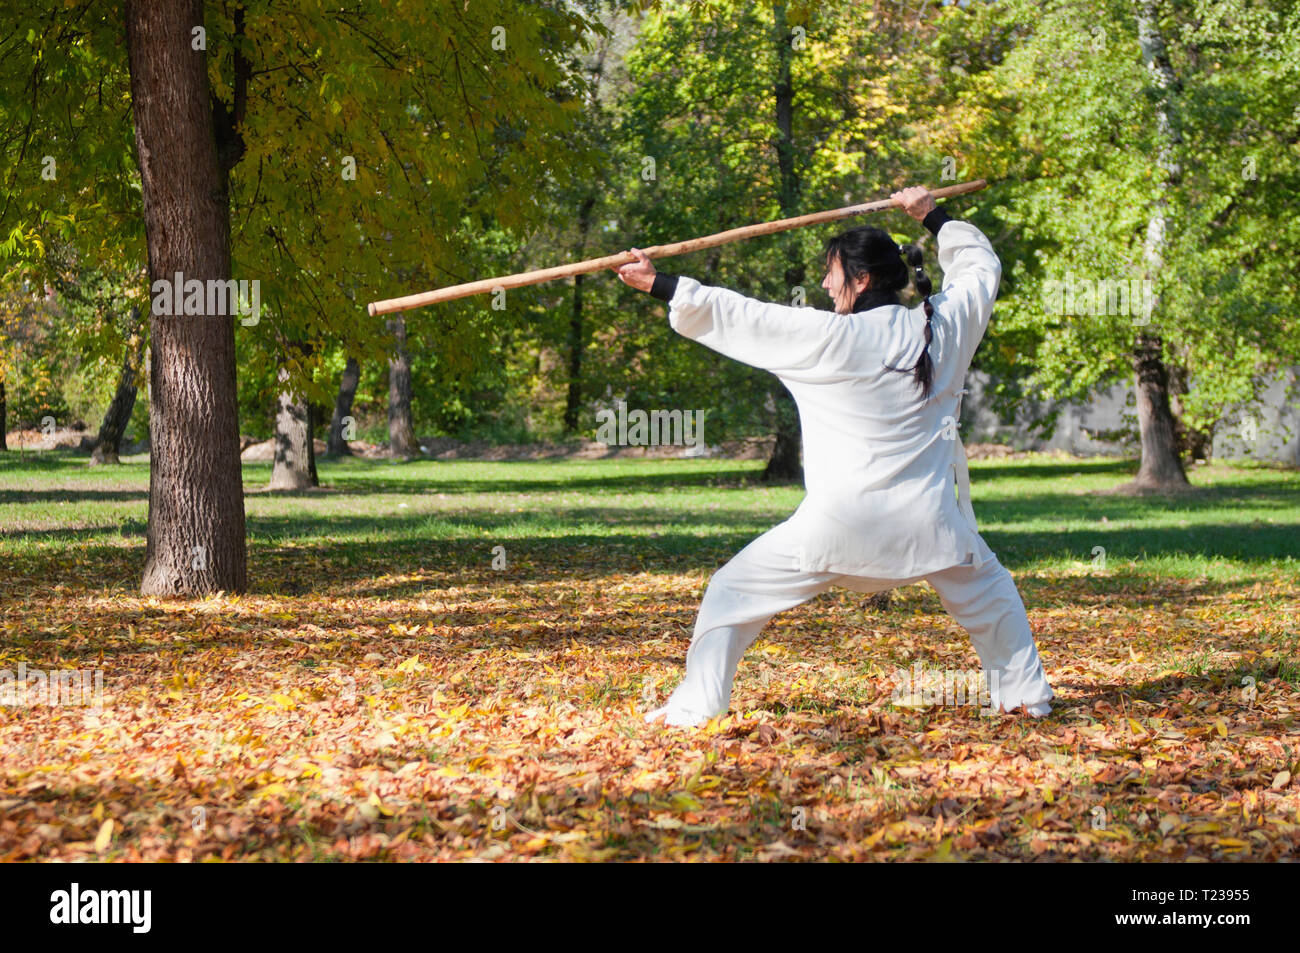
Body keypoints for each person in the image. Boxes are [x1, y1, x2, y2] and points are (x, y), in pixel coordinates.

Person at [611, 185, 1054, 728]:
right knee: (992, 597)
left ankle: (696, 706)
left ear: (861, 280)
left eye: (833, 273)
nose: (824, 284)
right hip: (934, 531)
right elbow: (981, 269)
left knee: (730, 592)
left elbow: (743, 316)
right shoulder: (945, 326)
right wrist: (930, 214)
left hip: (835, 532)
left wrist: (659, 283)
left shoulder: (824, 337)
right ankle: (1024, 699)